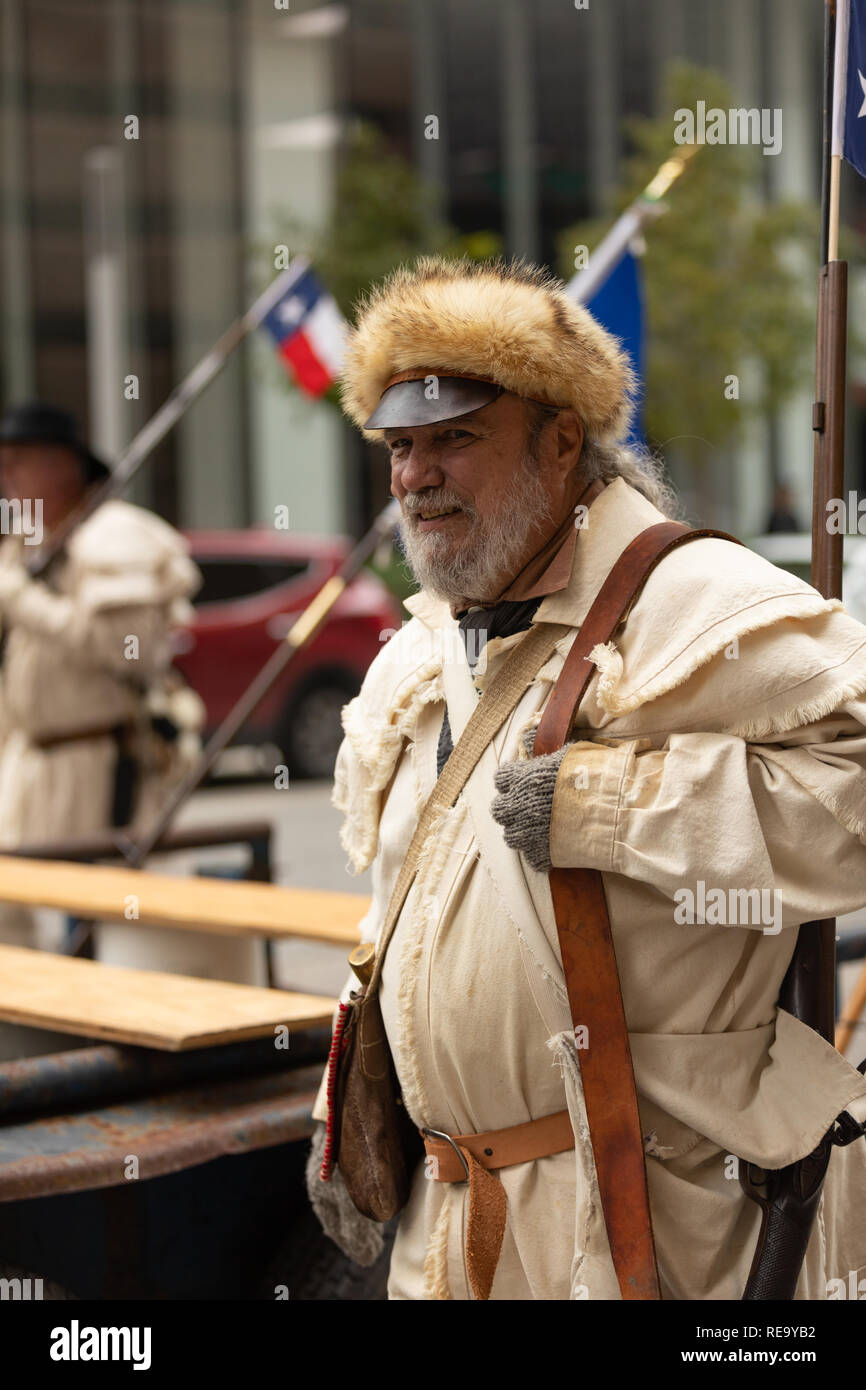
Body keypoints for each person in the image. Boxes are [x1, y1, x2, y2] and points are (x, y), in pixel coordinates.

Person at [306, 255, 866, 1301]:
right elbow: (401, 914)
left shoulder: (697, 600)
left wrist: (608, 807)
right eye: (401, 446)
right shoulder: (422, 648)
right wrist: (340, 1107)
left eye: (455, 438)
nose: (416, 475)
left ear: (561, 440)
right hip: (448, 1216)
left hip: (644, 1224)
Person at [0, 403, 264, 1024]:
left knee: (109, 911)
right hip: (31, 758)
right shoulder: (25, 543)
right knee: (13, 905)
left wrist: (24, 600)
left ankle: (106, 1032)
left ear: (61, 465)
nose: (6, 478)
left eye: (17, 462)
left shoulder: (114, 534)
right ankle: (34, 1028)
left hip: (99, 759)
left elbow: (130, 649)